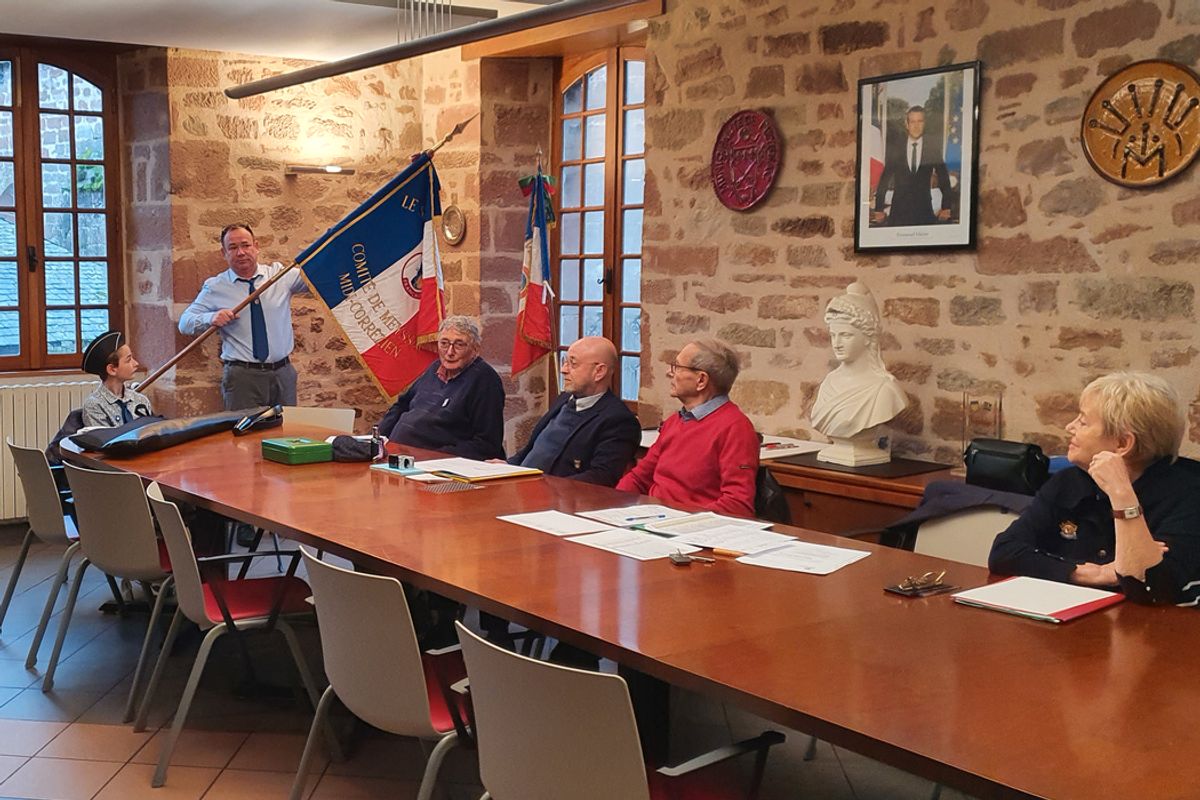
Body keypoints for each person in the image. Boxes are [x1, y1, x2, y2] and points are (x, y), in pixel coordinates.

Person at [989, 372, 1200, 607]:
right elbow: (1004, 553)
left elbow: (1151, 588)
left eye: (1083, 422)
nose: (1070, 427)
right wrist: (1092, 574)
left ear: (1122, 443)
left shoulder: (1189, 493)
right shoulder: (1069, 481)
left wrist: (1122, 495)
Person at [616, 338, 757, 516]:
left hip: (691, 525)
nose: (669, 373)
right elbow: (639, 478)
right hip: (654, 517)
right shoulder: (675, 421)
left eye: (677, 367)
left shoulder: (735, 428)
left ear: (701, 380)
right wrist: (613, 503)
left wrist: (682, 521)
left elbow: (737, 504)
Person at [179, 223, 308, 410]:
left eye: (246, 245)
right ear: (224, 253)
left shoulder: (280, 276)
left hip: (283, 374)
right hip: (242, 379)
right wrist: (211, 318)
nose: (241, 252)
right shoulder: (216, 287)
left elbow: (319, 279)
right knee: (243, 429)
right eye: (232, 247)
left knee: (286, 428)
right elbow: (185, 322)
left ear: (256, 246)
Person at [507, 336, 640, 485]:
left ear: (599, 372)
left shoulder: (619, 421)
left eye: (573, 364)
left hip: (557, 494)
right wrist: (506, 467)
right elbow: (532, 449)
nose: (563, 370)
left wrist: (544, 486)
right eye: (565, 362)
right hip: (522, 483)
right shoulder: (564, 399)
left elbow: (600, 478)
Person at [378, 315, 505, 461]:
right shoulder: (435, 368)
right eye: (444, 343)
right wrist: (379, 439)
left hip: (430, 463)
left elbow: (486, 444)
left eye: (459, 345)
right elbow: (402, 405)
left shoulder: (485, 380)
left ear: (475, 349)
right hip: (397, 455)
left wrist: (433, 458)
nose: (450, 352)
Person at [810, 282, 907, 440]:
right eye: (833, 335)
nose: (837, 343)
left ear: (867, 337)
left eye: (846, 335)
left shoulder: (885, 390)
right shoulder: (829, 382)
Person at [870, 105, 953, 227]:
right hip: (898, 214)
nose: (916, 126)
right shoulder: (897, 148)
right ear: (907, 124)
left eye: (920, 121)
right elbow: (885, 179)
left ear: (924, 123)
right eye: (913, 122)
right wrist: (879, 208)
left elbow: (944, 177)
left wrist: (946, 207)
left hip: (924, 212)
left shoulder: (932, 149)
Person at [80, 330, 154, 428]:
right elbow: (102, 437)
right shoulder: (95, 405)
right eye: (128, 360)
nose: (136, 363)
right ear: (112, 369)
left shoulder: (141, 400)